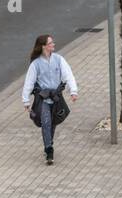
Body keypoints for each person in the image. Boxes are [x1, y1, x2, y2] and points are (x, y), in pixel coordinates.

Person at [22, 34, 79, 165]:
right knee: (46, 121)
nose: (53, 44)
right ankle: (49, 150)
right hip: (43, 99)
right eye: (50, 43)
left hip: (56, 97)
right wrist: (25, 100)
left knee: (53, 123)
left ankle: (49, 142)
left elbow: (68, 74)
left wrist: (73, 91)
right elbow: (29, 82)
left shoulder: (59, 59)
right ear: (44, 46)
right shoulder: (35, 64)